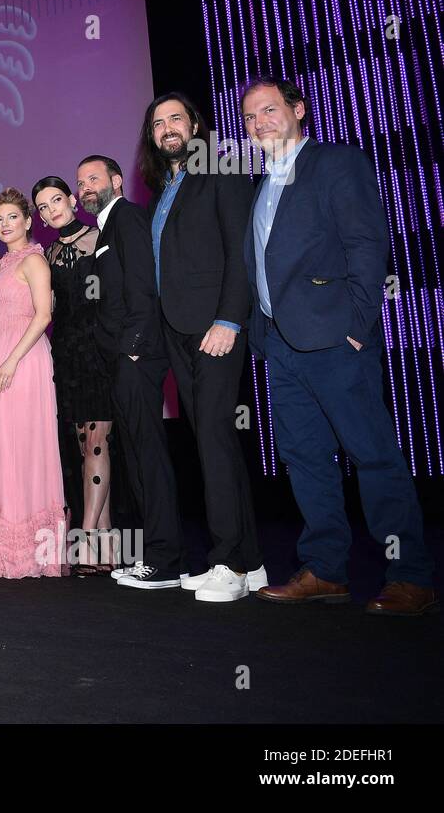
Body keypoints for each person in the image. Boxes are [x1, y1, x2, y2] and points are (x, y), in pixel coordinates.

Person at [241, 77, 436, 615]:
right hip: (280, 344)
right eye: (250, 116)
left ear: (298, 110)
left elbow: (367, 243)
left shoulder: (336, 162)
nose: (259, 123)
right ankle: (326, 570)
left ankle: (411, 574)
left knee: (371, 455)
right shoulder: (263, 183)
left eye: (269, 110)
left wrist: (356, 322)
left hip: (334, 339)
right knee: (305, 458)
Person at [138, 92, 266, 602]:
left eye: (175, 118)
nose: (167, 128)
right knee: (214, 442)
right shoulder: (164, 188)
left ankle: (228, 562)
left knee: (213, 439)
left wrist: (230, 318)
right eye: (157, 122)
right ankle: (252, 563)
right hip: (179, 331)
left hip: (216, 328)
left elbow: (241, 250)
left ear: (195, 124)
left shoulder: (224, 169)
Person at [79, 155, 181, 588]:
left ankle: (166, 560)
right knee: (138, 458)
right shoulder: (109, 225)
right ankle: (156, 557)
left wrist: (135, 349)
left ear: (116, 181)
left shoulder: (128, 218)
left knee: (149, 456)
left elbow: (143, 285)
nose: (84, 186)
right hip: (120, 360)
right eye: (80, 181)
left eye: (93, 178)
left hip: (135, 357)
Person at [0, 190, 67, 578]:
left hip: (25, 363)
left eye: (13, 217)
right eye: (0, 218)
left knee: (25, 446)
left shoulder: (36, 262)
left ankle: (32, 552)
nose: (5, 224)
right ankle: (2, 549)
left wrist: (10, 360)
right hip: (1, 362)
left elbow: (43, 316)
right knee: (3, 446)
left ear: (28, 221)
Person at [32, 176, 117, 575]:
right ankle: (109, 544)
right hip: (66, 354)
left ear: (71, 199)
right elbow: (45, 307)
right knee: (87, 449)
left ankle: (84, 540)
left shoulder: (100, 236)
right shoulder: (46, 254)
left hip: (98, 349)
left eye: (55, 201)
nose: (51, 211)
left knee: (98, 443)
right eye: (43, 207)